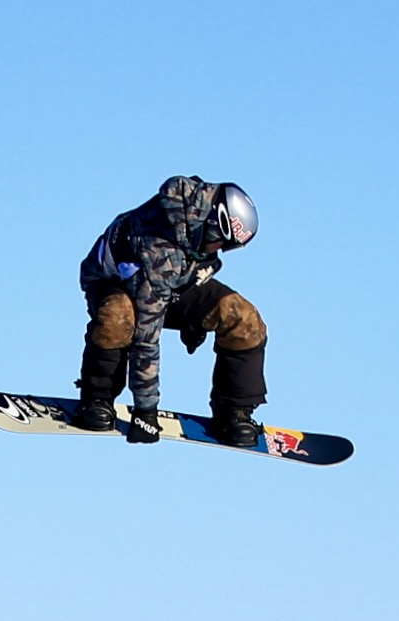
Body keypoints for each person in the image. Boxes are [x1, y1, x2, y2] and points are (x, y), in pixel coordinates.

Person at [72, 177, 266, 445]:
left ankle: (234, 413)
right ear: (212, 224)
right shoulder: (159, 247)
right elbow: (146, 341)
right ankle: (97, 399)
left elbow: (198, 266)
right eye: (221, 242)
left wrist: (196, 318)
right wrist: (145, 412)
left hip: (172, 282)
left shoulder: (197, 215)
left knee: (242, 319)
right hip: (115, 284)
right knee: (119, 319)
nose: (220, 249)